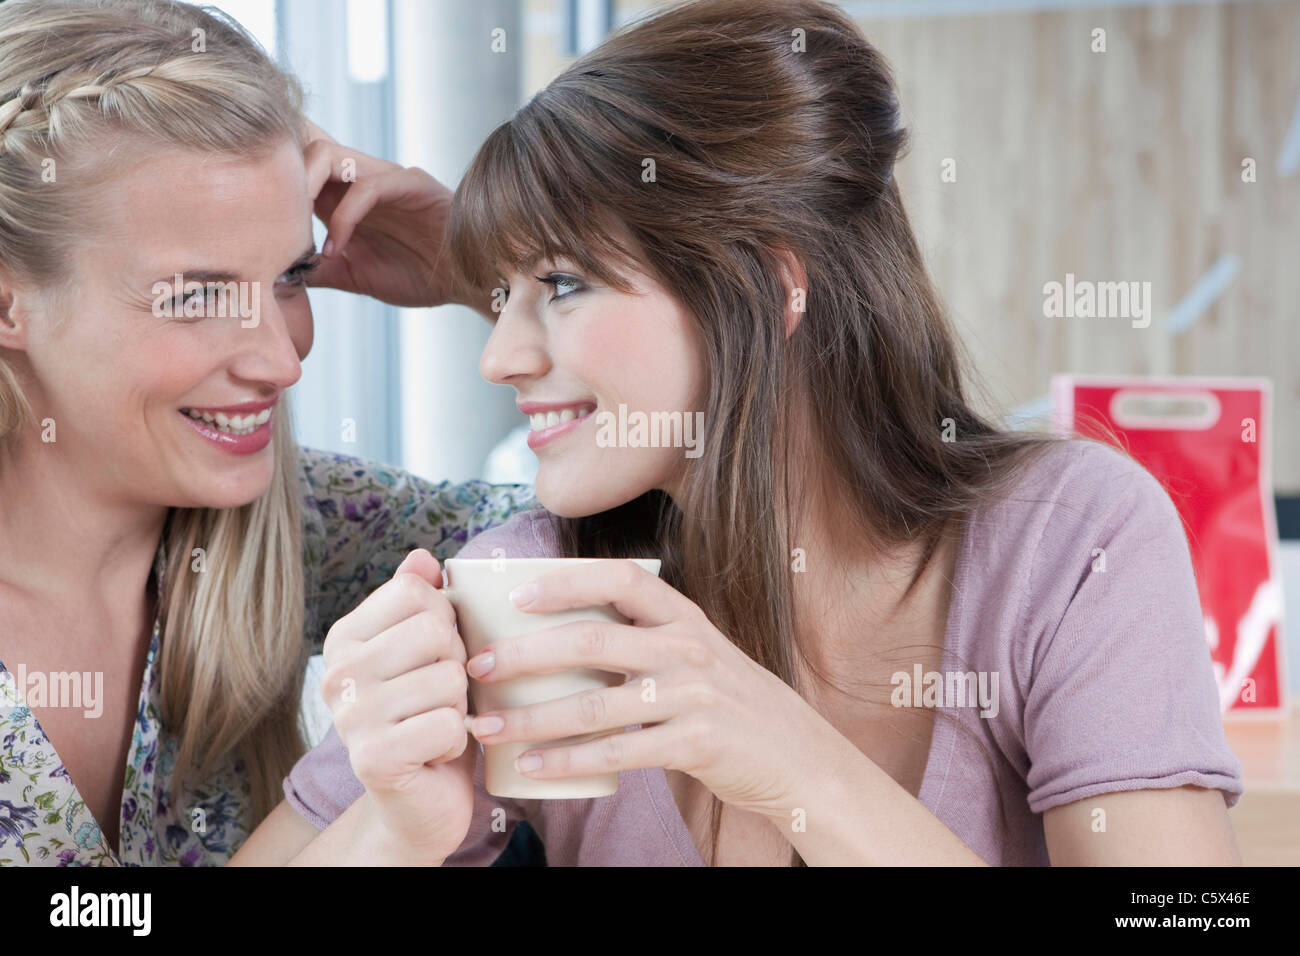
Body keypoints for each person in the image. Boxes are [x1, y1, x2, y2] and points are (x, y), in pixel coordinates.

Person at [265, 0, 1244, 866]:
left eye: (559, 283)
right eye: (497, 293)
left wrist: (791, 762)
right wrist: (395, 832)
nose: (498, 356)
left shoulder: (1069, 539)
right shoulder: (534, 593)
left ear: (772, 286)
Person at [0, 0, 533, 866]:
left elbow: (691, 513)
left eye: (292, 277)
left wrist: (482, 268)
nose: (281, 362)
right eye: (197, 295)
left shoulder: (297, 524)